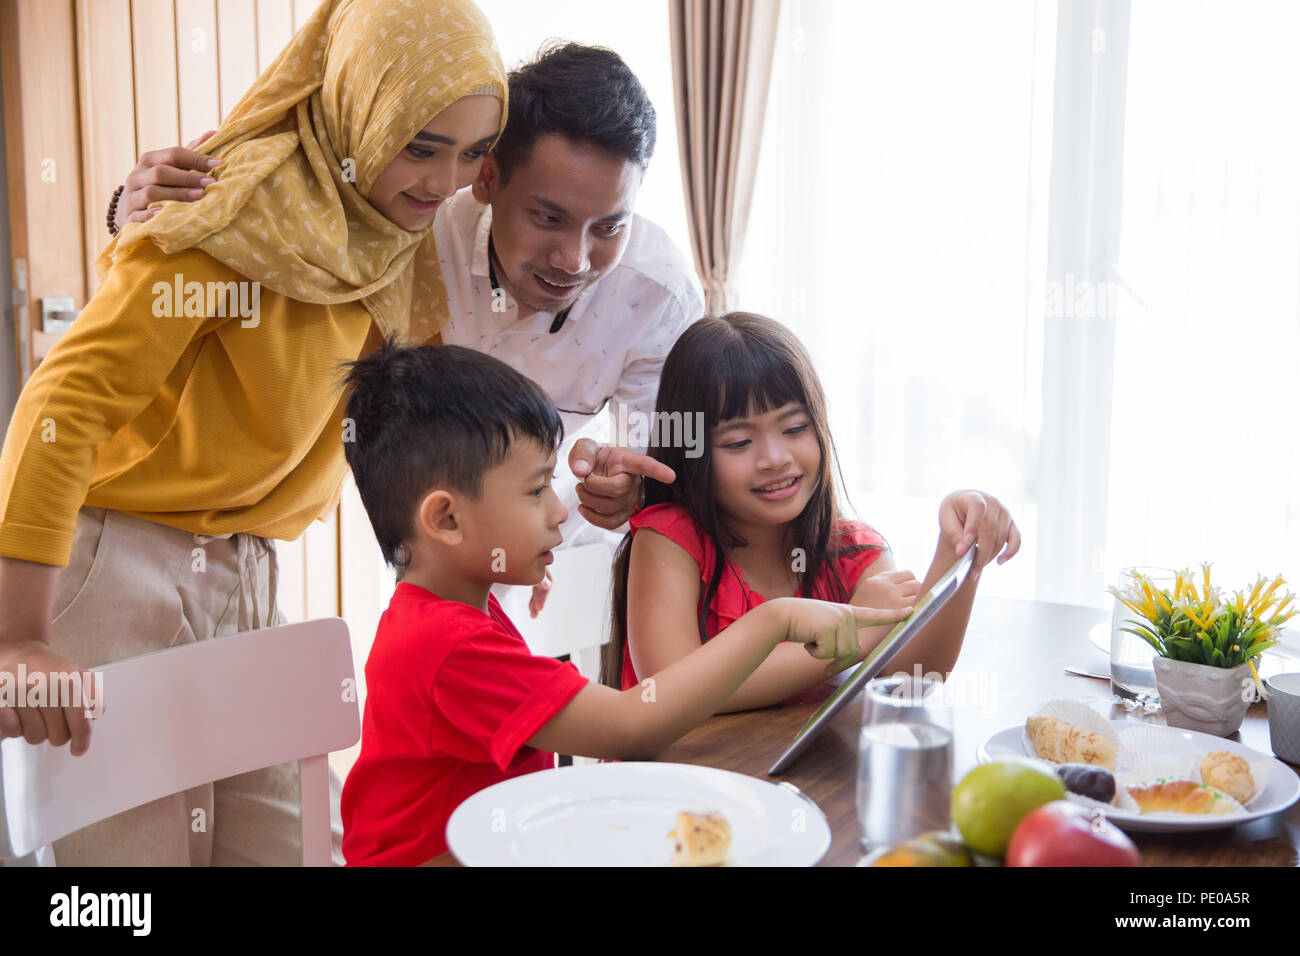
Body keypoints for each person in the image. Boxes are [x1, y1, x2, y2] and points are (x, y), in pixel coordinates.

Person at [0, 0, 507, 865]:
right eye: (420, 145)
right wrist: (17, 636)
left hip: (247, 567)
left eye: (470, 153)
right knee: (130, 879)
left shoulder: (387, 234)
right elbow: (64, 402)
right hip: (112, 565)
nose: (442, 179)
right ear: (358, 105)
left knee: (288, 847)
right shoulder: (230, 209)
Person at [111, 43, 704, 614]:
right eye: (548, 218)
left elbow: (656, 467)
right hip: (394, 546)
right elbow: (266, 237)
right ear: (489, 178)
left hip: (568, 565)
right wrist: (131, 210)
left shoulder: (661, 294)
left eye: (609, 227)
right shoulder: (416, 218)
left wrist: (627, 494)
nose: (574, 259)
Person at [336, 343, 910, 865]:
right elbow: (630, 726)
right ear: (447, 519)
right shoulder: (448, 644)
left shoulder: (449, 613)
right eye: (537, 491)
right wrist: (775, 620)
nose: (559, 512)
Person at [601, 313, 1022, 710]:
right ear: (690, 453)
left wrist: (960, 552)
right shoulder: (669, 538)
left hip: (795, 781)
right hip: (673, 783)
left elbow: (914, 679)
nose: (774, 458)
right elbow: (670, 689)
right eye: (737, 443)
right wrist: (851, 638)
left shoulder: (852, 550)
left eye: (795, 428)